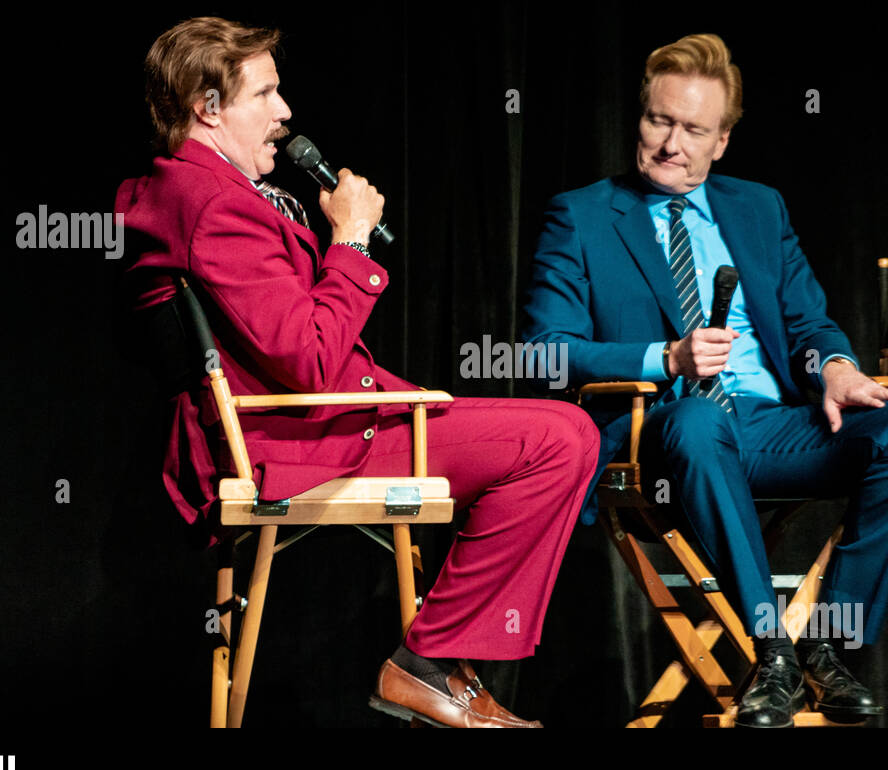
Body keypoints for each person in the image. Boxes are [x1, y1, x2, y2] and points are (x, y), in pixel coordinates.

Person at [116, 17, 600, 728]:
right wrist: (348, 240)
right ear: (208, 107)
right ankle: (429, 663)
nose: (285, 114)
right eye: (267, 94)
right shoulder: (214, 205)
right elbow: (309, 358)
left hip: (299, 426)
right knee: (562, 438)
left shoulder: (181, 191)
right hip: (300, 441)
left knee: (557, 429)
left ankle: (439, 663)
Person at [522, 33, 888, 727]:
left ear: (721, 141)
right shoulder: (582, 215)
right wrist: (665, 358)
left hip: (773, 425)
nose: (671, 143)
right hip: (664, 431)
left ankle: (826, 643)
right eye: (659, 120)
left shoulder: (758, 207)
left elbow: (809, 323)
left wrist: (835, 368)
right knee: (698, 418)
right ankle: (771, 645)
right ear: (639, 118)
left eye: (693, 129)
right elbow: (546, 350)